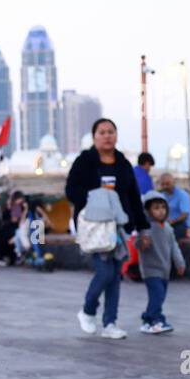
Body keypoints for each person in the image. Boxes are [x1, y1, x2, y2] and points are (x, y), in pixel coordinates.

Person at [65, 117, 149, 340]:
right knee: (105, 272)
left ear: (116, 135)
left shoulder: (122, 163)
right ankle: (88, 310)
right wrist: (97, 198)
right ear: (94, 137)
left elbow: (133, 197)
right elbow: (71, 190)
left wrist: (142, 228)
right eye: (102, 132)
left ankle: (110, 322)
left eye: (111, 131)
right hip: (93, 227)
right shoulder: (84, 161)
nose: (107, 136)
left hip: (119, 226)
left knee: (115, 275)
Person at [136, 191, 186, 334]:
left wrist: (180, 263)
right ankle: (155, 320)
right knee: (157, 296)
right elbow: (138, 244)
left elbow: (174, 247)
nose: (160, 211)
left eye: (163, 207)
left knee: (160, 297)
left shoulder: (169, 228)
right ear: (148, 210)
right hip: (151, 270)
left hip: (165, 270)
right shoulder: (146, 227)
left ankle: (148, 321)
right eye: (156, 208)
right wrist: (142, 243)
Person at [156, 172, 190, 240]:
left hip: (180, 225)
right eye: (162, 184)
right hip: (166, 224)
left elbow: (185, 215)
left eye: (167, 184)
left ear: (173, 182)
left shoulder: (182, 195)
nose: (165, 186)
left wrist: (171, 222)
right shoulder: (162, 195)